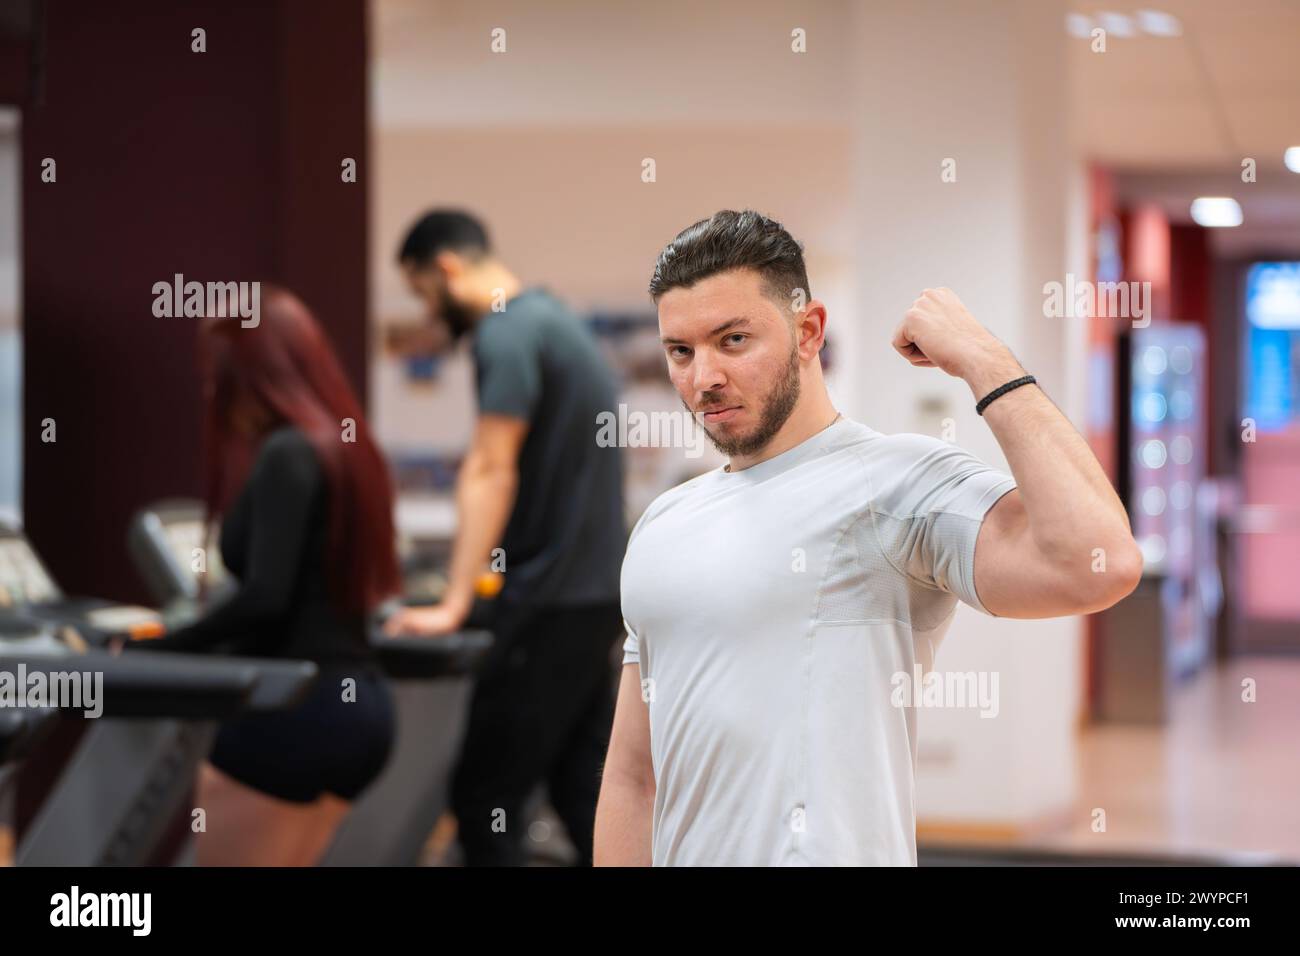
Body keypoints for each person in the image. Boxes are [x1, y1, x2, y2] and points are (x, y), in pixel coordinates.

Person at [594, 209, 1143, 866]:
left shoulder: (897, 480)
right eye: (681, 351)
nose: (702, 378)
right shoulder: (664, 524)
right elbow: (634, 777)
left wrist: (984, 359)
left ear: (809, 332)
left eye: (733, 340)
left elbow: (1096, 565)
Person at [127, 286, 401, 866]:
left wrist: (158, 649)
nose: (212, 389)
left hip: (292, 714)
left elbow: (263, 600)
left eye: (217, 373)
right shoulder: (349, 450)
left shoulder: (287, 454)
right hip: (360, 711)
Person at [385, 210, 626, 866]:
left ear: (447, 268)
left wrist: (455, 601)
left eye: (422, 292)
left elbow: (490, 466)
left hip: (548, 602)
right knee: (585, 796)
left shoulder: (506, 332)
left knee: (484, 800)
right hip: (594, 597)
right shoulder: (558, 323)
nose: (430, 314)